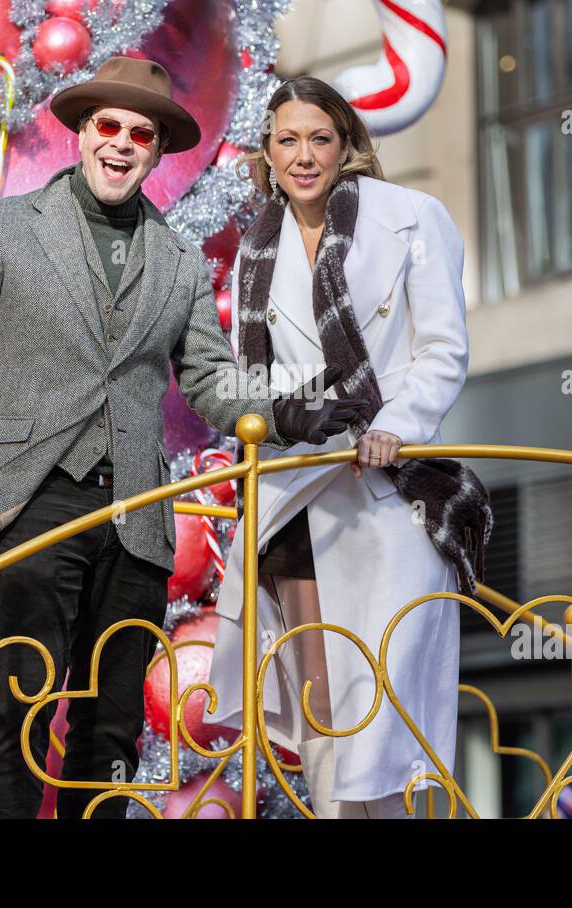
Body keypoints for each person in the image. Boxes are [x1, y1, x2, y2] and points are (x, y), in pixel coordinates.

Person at [0, 57, 364, 819]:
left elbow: (210, 377)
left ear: (155, 150)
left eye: (139, 133)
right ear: (83, 134)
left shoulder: (177, 260)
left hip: (135, 518)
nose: (121, 143)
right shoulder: (8, 226)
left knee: (110, 726)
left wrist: (287, 412)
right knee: (19, 703)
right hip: (28, 500)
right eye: (107, 126)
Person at [206, 77, 482, 818]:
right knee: (322, 700)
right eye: (287, 140)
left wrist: (398, 424)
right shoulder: (255, 245)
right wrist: (297, 419)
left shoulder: (413, 217)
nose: (303, 156)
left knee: (386, 698)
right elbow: (254, 375)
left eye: (319, 139)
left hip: (390, 486)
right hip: (296, 488)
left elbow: (443, 350)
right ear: (266, 150)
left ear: (346, 145)